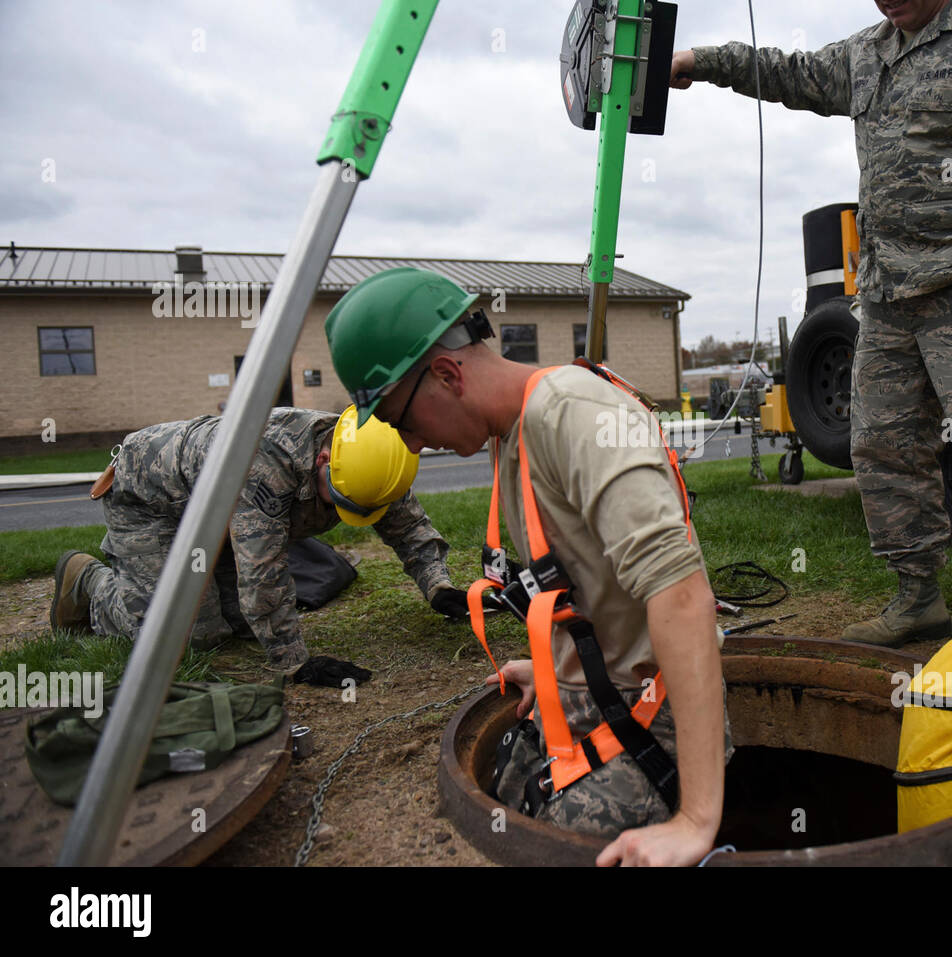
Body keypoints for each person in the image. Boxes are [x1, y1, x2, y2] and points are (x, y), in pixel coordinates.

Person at [671, 0, 952, 645]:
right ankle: (918, 598)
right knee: (883, 449)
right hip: (890, 301)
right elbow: (787, 71)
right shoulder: (868, 53)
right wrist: (701, 62)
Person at [324, 267, 728, 867]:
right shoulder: (512, 432)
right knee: (505, 804)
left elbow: (682, 597)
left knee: (552, 851)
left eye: (399, 420)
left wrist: (695, 819)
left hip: (654, 713)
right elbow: (593, 585)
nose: (408, 444)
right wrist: (556, 666)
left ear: (446, 373)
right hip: (595, 694)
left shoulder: (576, 416)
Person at [50, 405, 467, 675]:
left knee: (242, 624)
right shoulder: (265, 465)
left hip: (216, 511)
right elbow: (262, 571)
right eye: (340, 502)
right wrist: (295, 664)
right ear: (324, 458)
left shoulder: (375, 456)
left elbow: (408, 527)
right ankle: (89, 580)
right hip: (151, 501)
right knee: (187, 635)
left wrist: (438, 586)